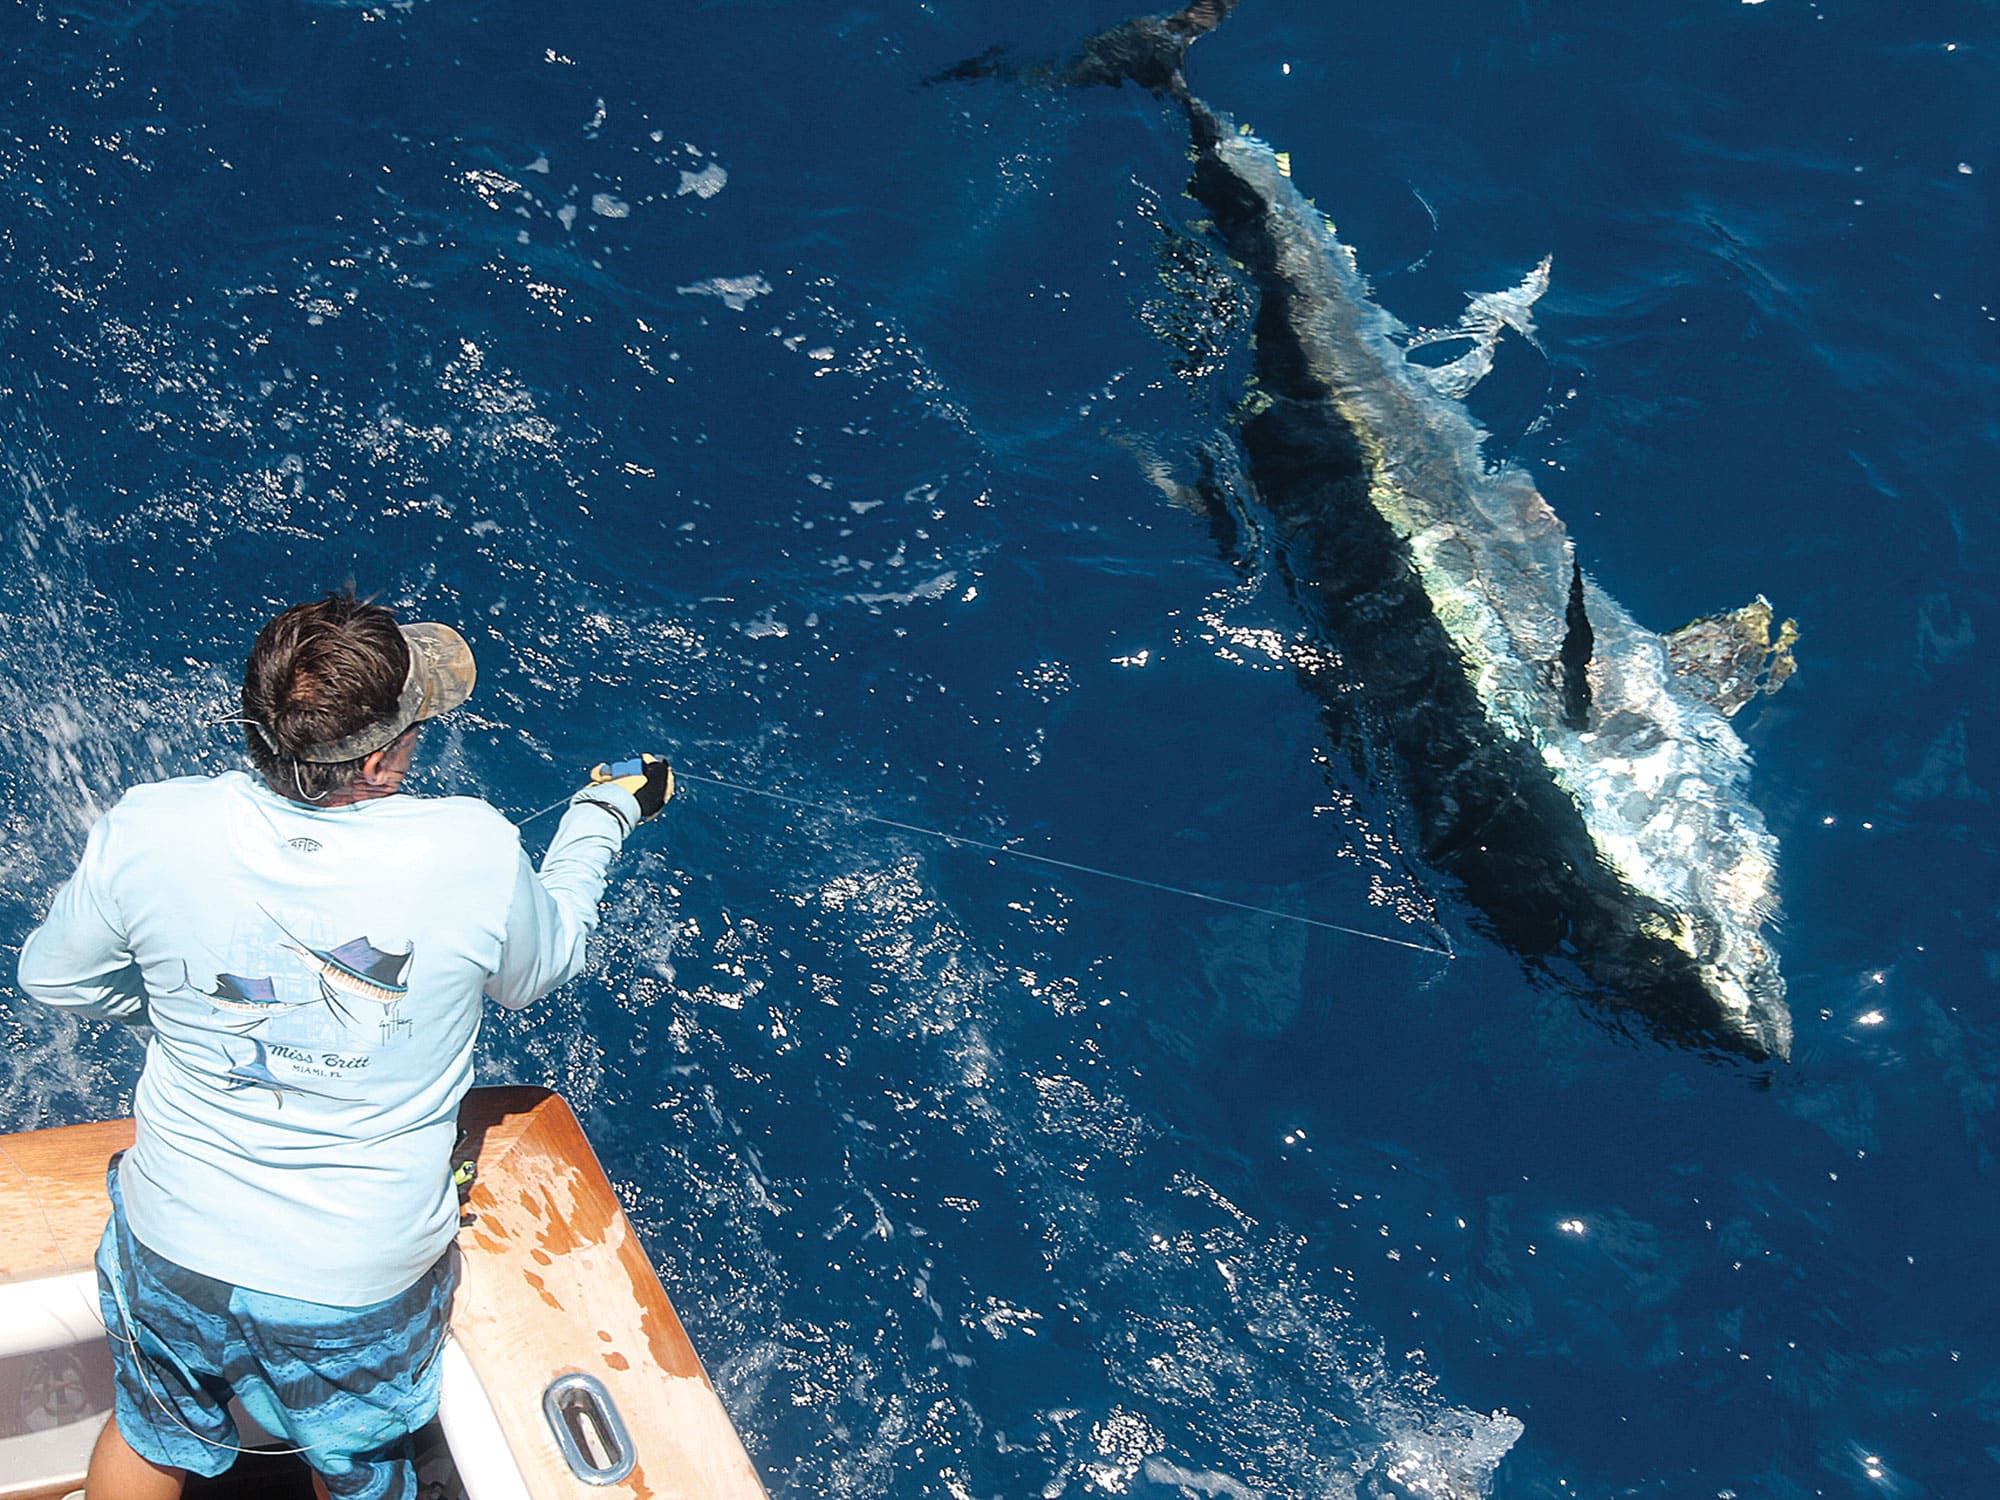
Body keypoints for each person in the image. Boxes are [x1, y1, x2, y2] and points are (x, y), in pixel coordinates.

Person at [17, 590, 675, 1500]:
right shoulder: (472, 848)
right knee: (358, 1467)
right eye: (415, 730)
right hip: (353, 1279)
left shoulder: (149, 823)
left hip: (169, 1237)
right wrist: (605, 813)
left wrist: (198, 1016)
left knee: (152, 1435)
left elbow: (55, 980)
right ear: (376, 760)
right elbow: (541, 965)